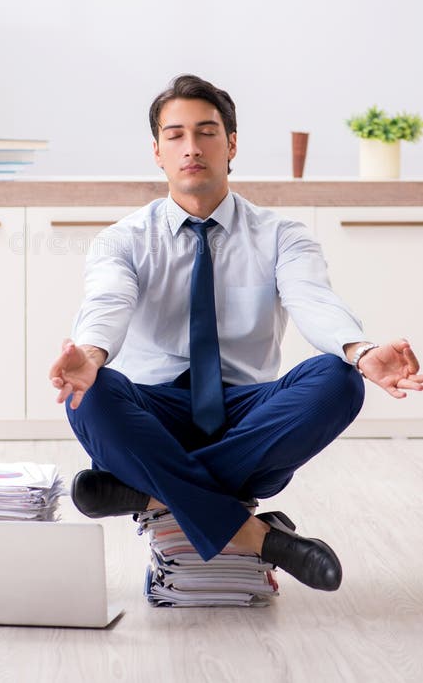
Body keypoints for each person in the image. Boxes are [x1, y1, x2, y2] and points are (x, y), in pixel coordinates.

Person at [49, 74, 423, 591]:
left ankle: (147, 493)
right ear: (156, 151)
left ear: (231, 144)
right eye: (175, 135)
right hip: (153, 415)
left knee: (338, 380)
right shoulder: (123, 240)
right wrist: (90, 354)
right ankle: (258, 537)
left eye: (206, 132)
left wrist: (360, 351)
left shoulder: (281, 235)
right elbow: (108, 301)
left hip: (247, 422)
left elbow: (313, 300)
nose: (191, 147)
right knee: (91, 391)